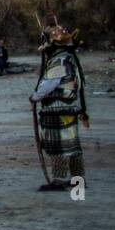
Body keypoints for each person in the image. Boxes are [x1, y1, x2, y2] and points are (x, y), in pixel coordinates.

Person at [30, 17, 89, 192]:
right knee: (72, 146)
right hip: (68, 108)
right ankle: (78, 179)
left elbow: (48, 84)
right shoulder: (69, 58)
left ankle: (58, 179)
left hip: (56, 108)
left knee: (58, 146)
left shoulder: (59, 61)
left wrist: (34, 97)